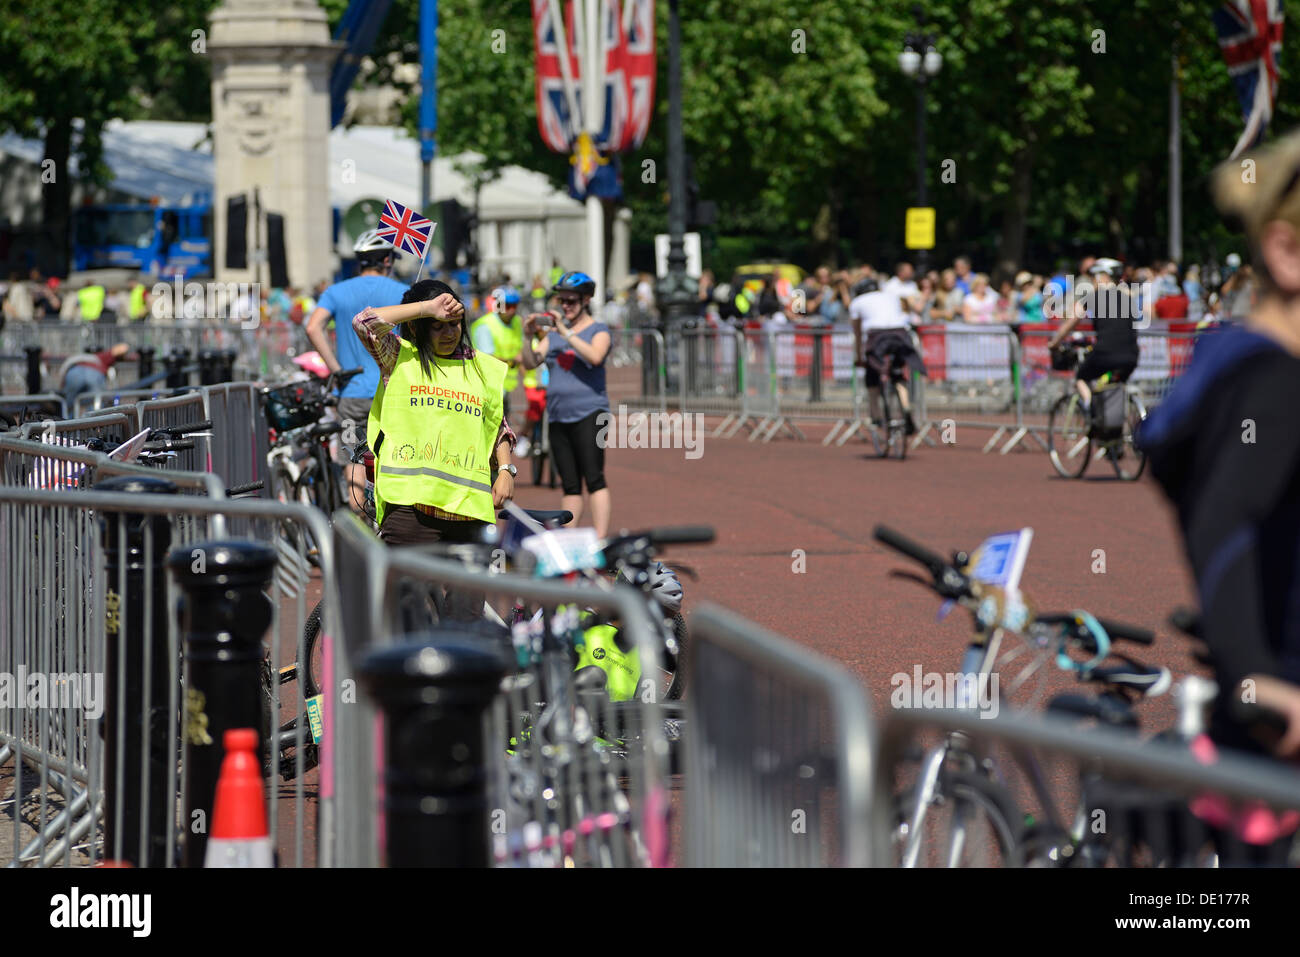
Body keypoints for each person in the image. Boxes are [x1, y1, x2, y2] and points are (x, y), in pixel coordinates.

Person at [1138, 131, 1300, 862]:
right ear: (1287, 253)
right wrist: (1257, 680)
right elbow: (1222, 521)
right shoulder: (1274, 383)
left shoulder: (1234, 367)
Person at [352, 280, 516, 570]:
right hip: (410, 511)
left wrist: (505, 470)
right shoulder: (399, 357)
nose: (449, 333)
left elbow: (497, 426)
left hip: (469, 511)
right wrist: (427, 307)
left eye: (454, 324)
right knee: (406, 608)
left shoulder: (482, 368)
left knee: (467, 614)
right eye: (438, 326)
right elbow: (363, 323)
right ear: (417, 327)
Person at [306, 229, 408, 513]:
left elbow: (313, 327)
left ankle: (360, 528)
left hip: (351, 394)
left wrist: (336, 369)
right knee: (394, 460)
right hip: (391, 392)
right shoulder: (402, 292)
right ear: (387, 260)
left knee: (354, 461)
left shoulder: (336, 291)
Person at [519, 270, 613, 537]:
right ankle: (569, 541)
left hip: (591, 413)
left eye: (571, 301)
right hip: (559, 415)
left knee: (594, 478)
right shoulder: (553, 337)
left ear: (585, 300)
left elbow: (595, 356)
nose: (566, 306)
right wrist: (528, 337)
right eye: (562, 301)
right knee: (569, 484)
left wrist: (566, 332)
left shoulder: (599, 330)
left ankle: (601, 539)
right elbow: (530, 362)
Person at [1046, 257, 1139, 414]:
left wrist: (1054, 342)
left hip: (1106, 352)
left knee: (1082, 376)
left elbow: (1070, 323)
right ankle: (1112, 429)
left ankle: (1091, 411)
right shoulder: (1128, 297)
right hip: (1132, 355)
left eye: (1093, 278)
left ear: (1102, 277)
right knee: (1113, 386)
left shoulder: (1093, 297)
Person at [848, 277, 924, 433]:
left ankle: (876, 416)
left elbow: (857, 333)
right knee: (898, 374)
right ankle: (906, 407)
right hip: (900, 334)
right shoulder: (891, 296)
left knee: (872, 373)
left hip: (877, 335)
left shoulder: (857, 302)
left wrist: (859, 356)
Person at [470, 285, 525, 430]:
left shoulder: (517, 322)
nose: (512, 310)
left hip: (506, 384)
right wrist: (514, 360)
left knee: (502, 428)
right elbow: (488, 359)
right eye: (508, 306)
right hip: (488, 386)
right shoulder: (485, 325)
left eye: (515, 306)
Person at [60, 343, 130, 406]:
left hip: (74, 373)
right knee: (96, 405)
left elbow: (63, 373)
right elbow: (124, 347)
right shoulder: (101, 356)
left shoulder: (76, 358)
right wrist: (123, 357)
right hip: (94, 373)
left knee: (69, 405)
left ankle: (69, 418)